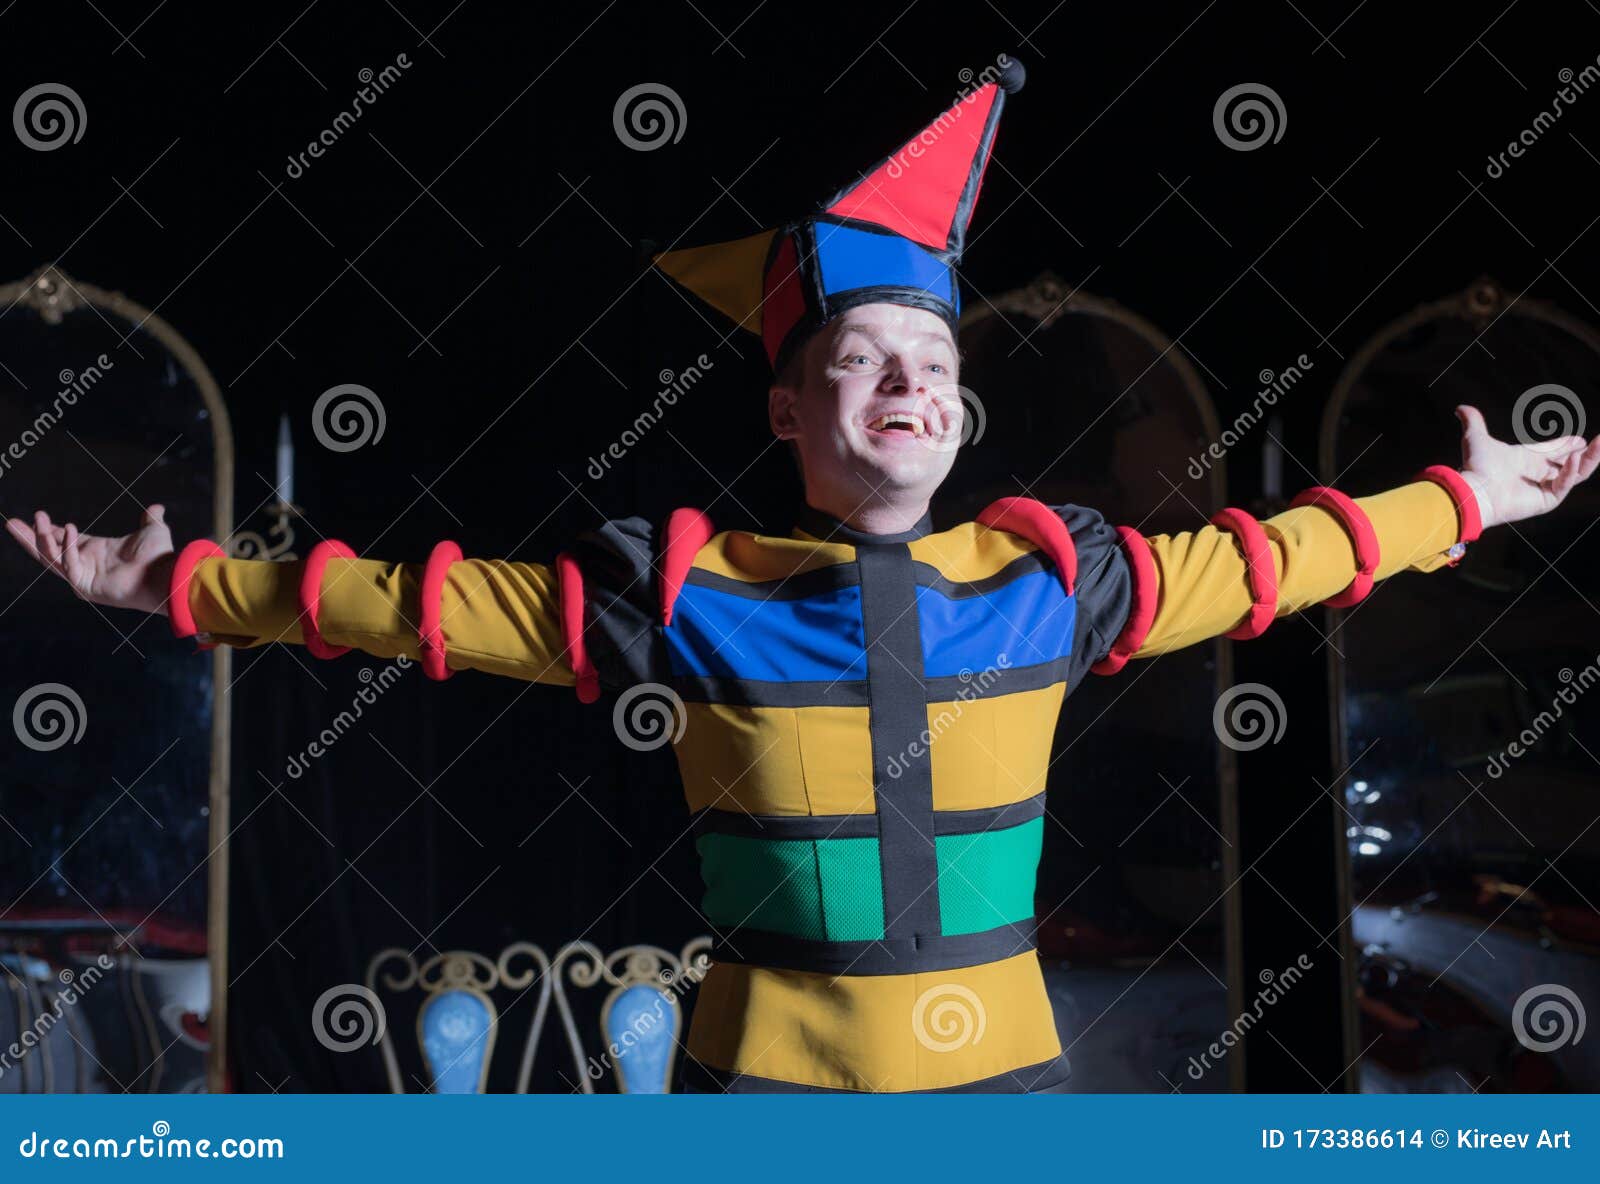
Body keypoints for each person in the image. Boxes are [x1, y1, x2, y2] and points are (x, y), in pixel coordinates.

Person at [8, 59, 1599, 1094]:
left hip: (1001, 1089)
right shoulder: (688, 600)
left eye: (930, 352)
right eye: (859, 355)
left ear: (962, 407)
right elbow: (420, 603)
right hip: (764, 1092)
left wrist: (1462, 496)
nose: (905, 376)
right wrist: (189, 585)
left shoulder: (1054, 583)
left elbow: (1272, 563)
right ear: (791, 410)